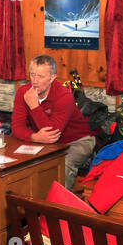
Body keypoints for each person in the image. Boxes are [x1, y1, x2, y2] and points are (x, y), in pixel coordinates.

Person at [12, 54, 94, 189]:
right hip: (41, 138)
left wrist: (34, 106)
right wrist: (33, 136)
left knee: (63, 165)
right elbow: (16, 126)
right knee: (18, 161)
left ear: (52, 78)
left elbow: (52, 133)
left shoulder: (64, 96)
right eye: (32, 75)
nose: (35, 81)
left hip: (77, 141)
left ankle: (59, 206)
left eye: (41, 76)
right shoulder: (23, 92)